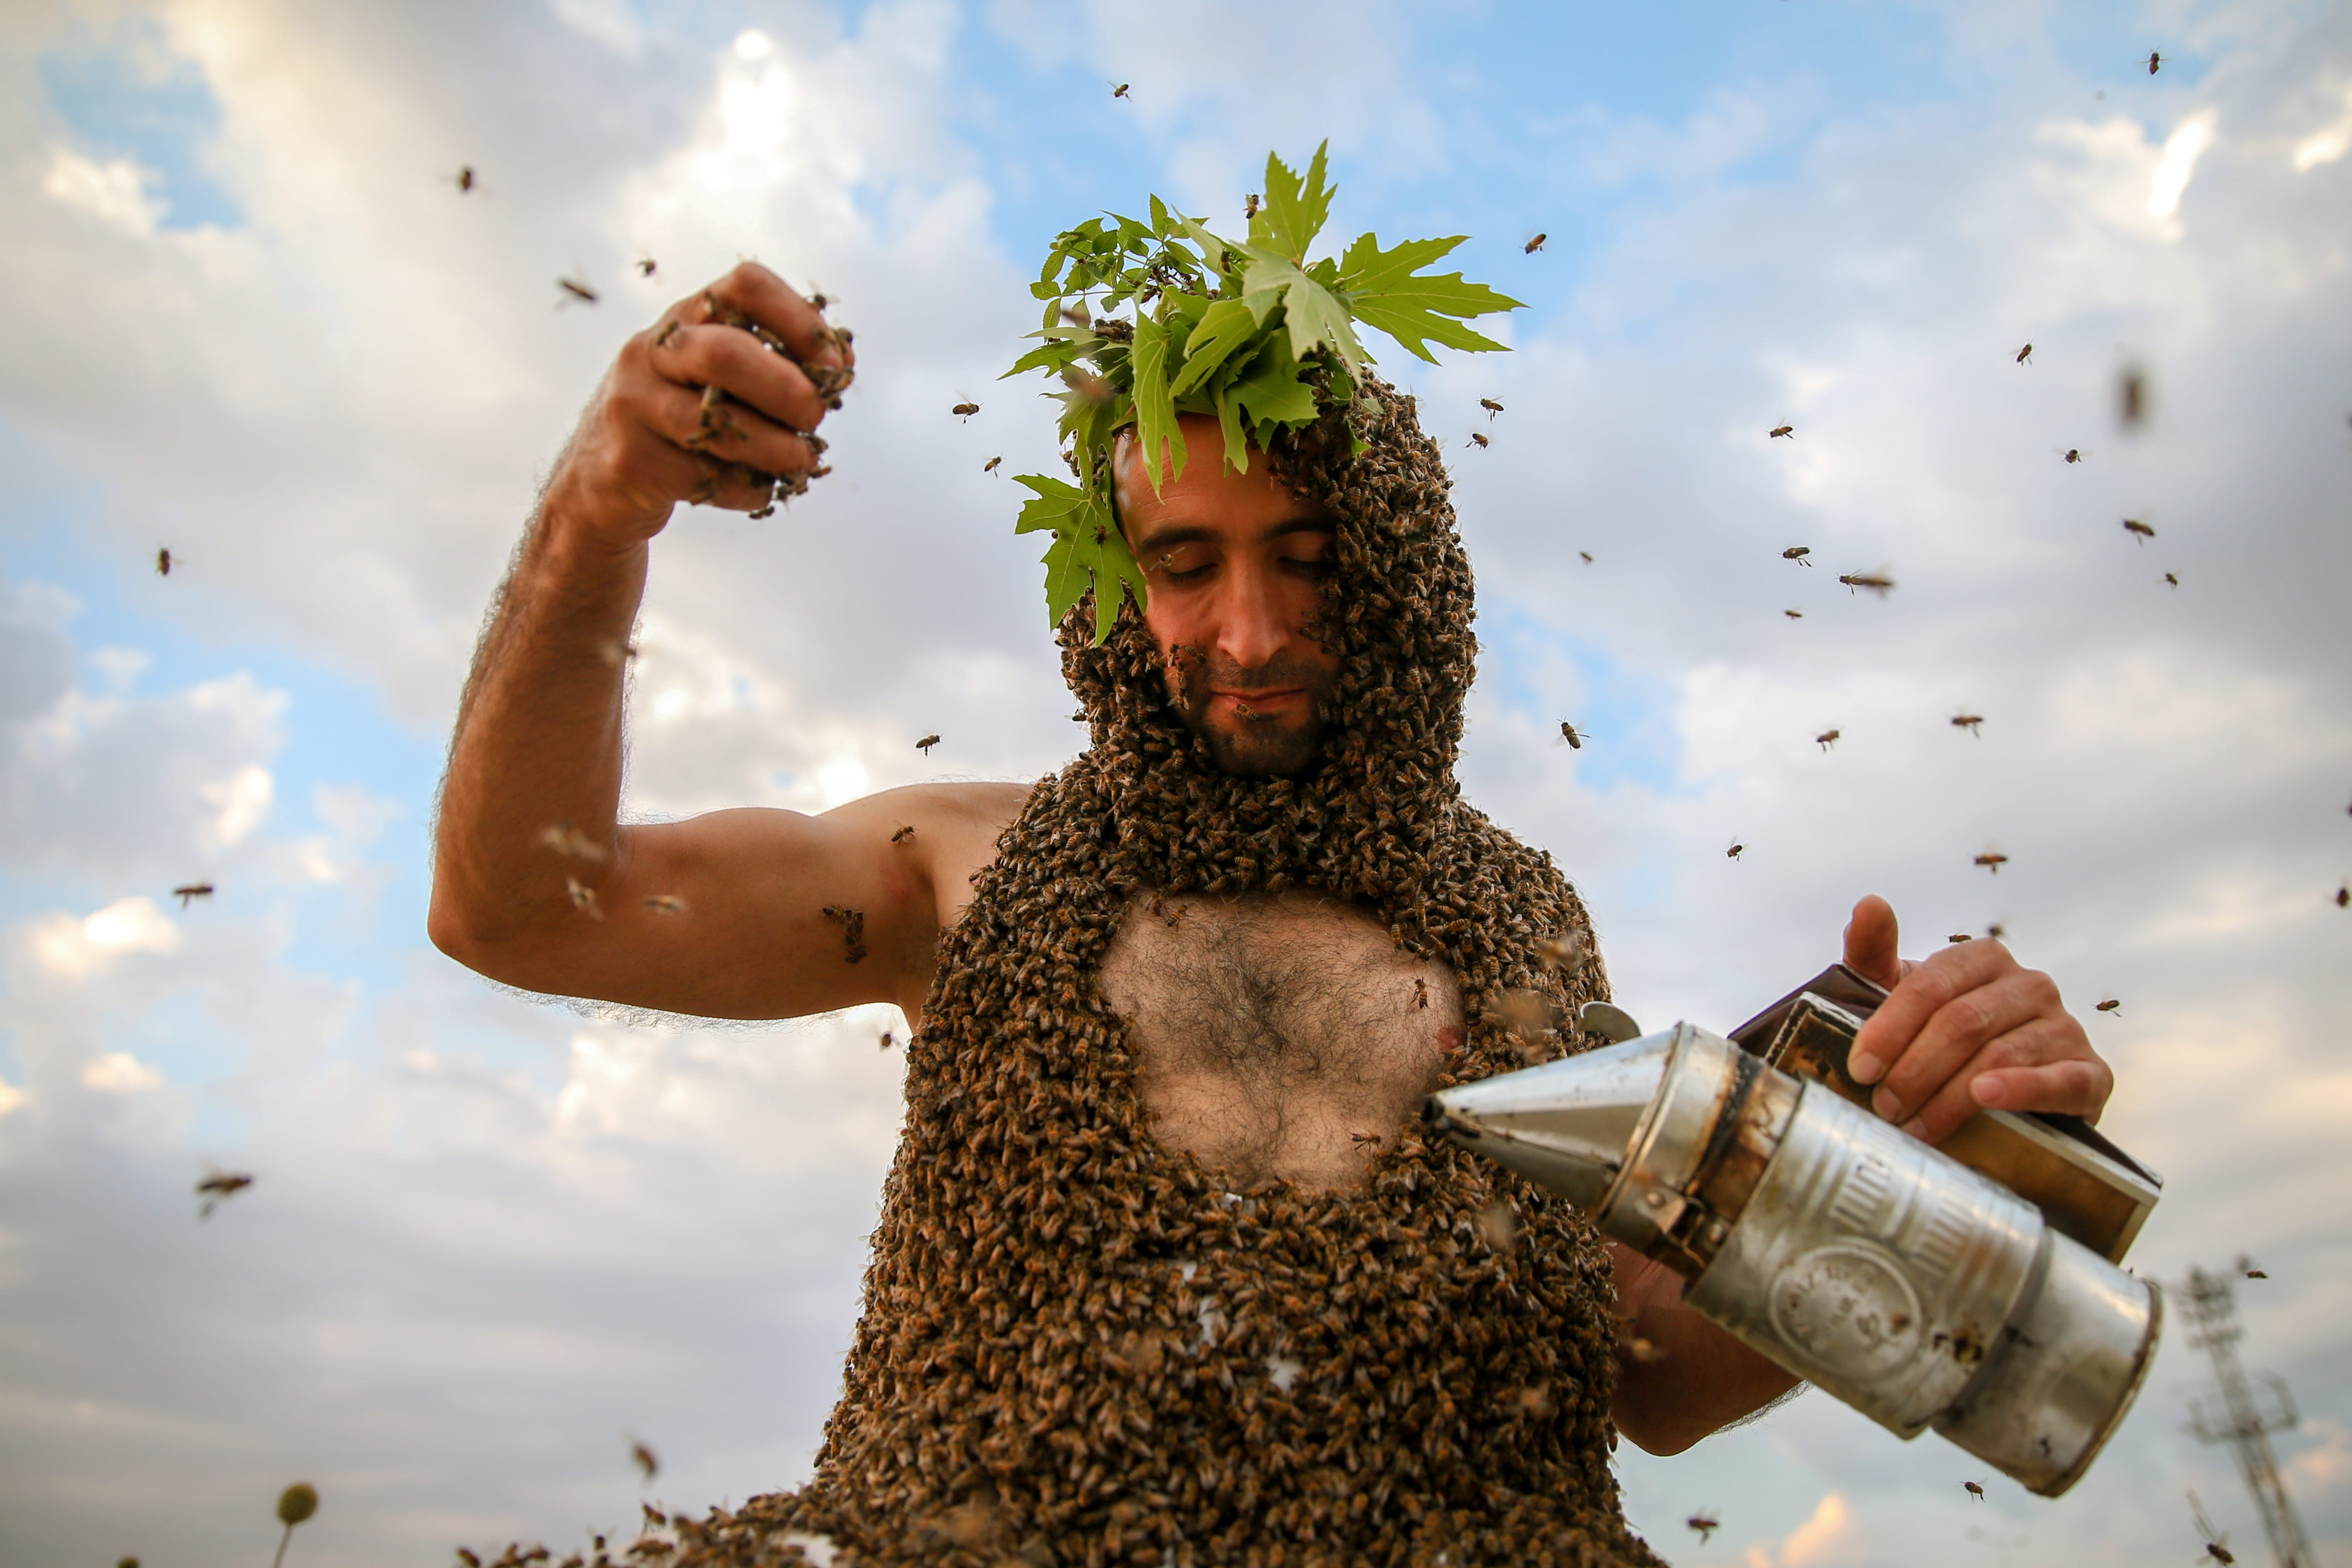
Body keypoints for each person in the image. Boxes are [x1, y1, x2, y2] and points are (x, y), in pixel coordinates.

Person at [431, 261, 2113, 1566]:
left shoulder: (1522, 927)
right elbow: (522, 909)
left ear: (1397, 564)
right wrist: (601, 513)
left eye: (1305, 554)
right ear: (1114, 588)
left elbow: (1651, 1376)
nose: (1247, 633)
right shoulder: (956, 864)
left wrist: (1924, 1165)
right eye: (1184, 564)